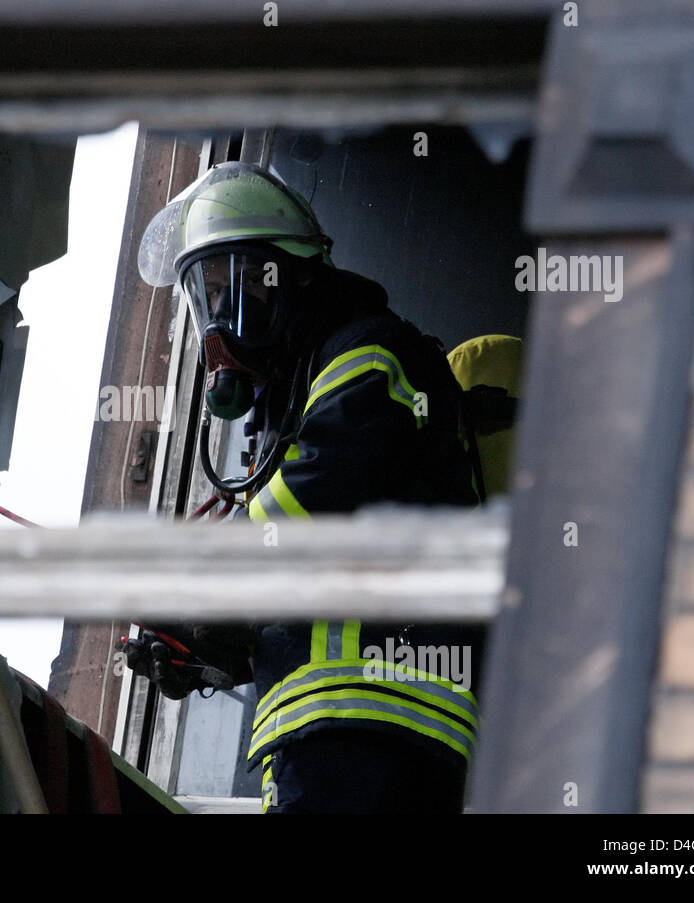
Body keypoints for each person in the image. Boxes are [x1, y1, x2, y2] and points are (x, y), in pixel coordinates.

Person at [125, 161, 488, 813]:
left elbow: (313, 498)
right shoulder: (292, 409)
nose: (218, 326)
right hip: (328, 738)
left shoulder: (370, 352)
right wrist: (207, 651)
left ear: (289, 272)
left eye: (231, 288)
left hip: (374, 721)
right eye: (203, 301)